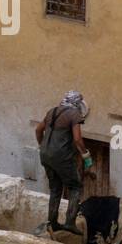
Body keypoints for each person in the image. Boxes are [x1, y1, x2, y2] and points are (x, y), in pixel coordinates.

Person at [35, 91, 92, 235]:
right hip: (62, 157)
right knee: (75, 187)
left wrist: (42, 146)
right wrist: (86, 156)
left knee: (55, 189)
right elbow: (78, 139)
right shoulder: (74, 114)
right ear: (77, 103)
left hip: (45, 156)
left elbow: (38, 129)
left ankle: (52, 223)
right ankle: (69, 223)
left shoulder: (51, 111)